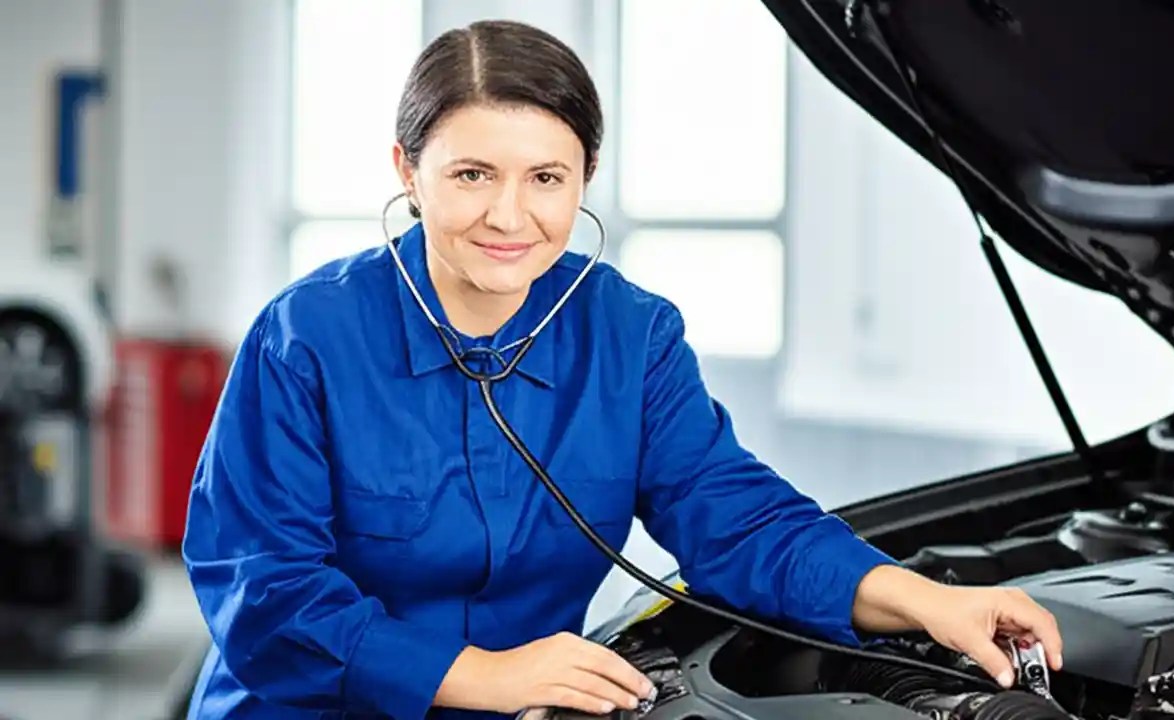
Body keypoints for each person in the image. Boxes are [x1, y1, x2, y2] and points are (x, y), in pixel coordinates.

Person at [181, 18, 1063, 720]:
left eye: (546, 178)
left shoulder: (632, 334)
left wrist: (928, 601)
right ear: (408, 171)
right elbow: (264, 590)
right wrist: (480, 675)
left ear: (586, 178)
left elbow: (737, 520)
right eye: (472, 173)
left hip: (530, 706)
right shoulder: (304, 337)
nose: (508, 215)